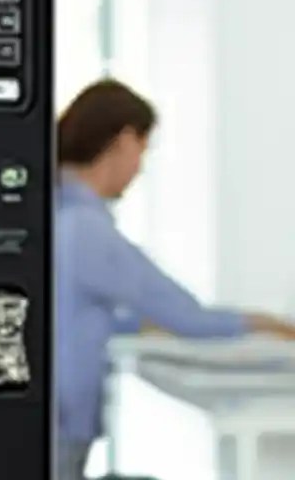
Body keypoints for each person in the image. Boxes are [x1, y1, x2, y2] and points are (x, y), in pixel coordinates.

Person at [55, 79, 295, 480]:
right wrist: (269, 325)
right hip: (61, 423)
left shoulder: (57, 214)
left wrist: (137, 324)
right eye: (144, 151)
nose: (141, 167)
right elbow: (186, 316)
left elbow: (77, 313)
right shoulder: (85, 230)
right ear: (127, 141)